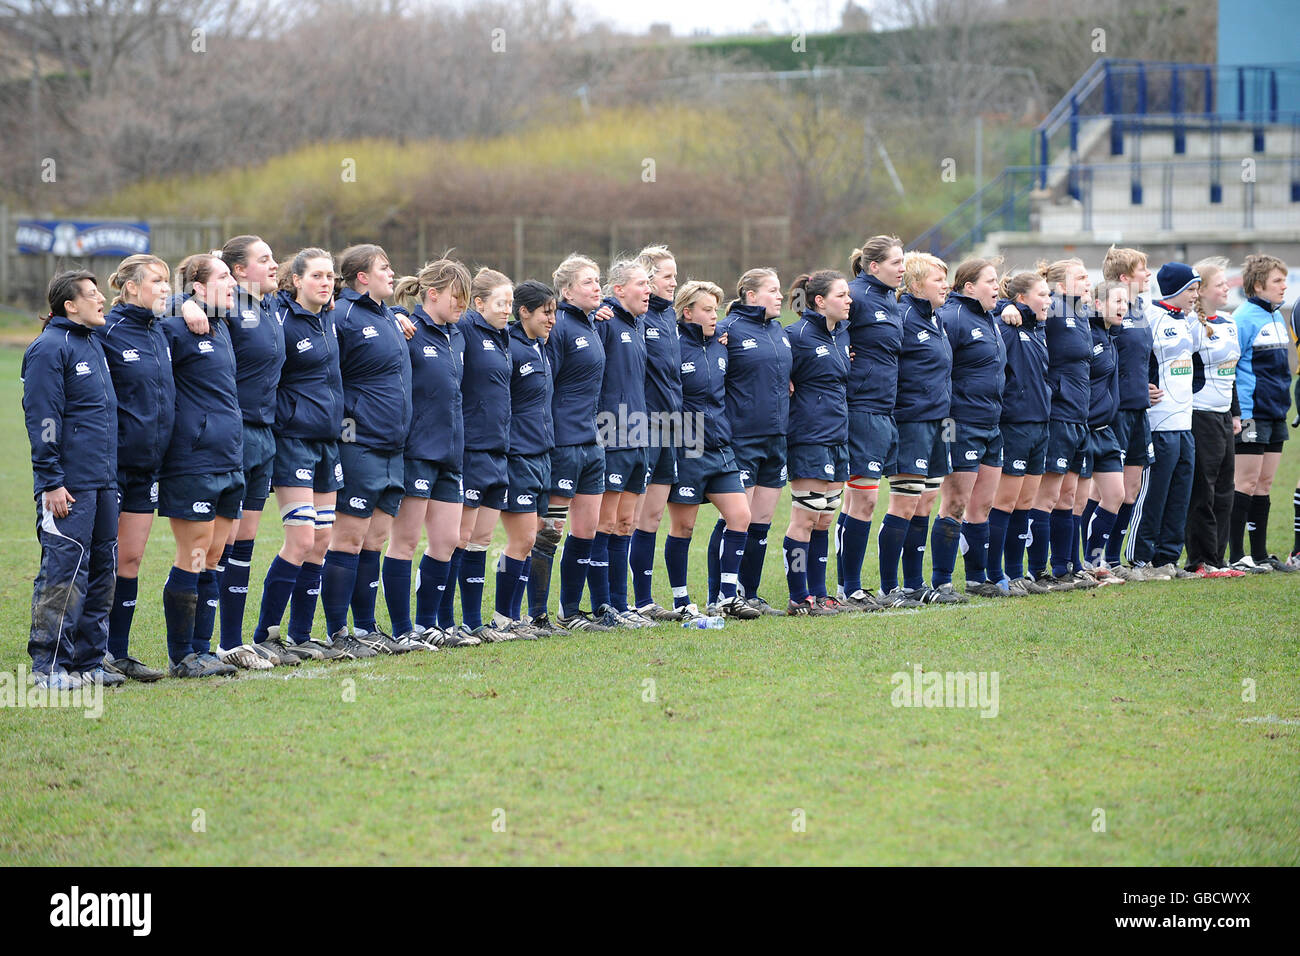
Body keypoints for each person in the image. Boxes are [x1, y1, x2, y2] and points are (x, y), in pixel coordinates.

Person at [249, 248, 355, 661]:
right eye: (316, 276)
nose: (326, 282)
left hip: (328, 443)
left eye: (330, 276)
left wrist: (399, 316)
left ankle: (300, 634)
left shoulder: (331, 317)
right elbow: (232, 293)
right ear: (295, 281)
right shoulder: (278, 315)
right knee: (301, 538)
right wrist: (187, 300)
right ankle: (266, 634)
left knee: (322, 540)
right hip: (293, 440)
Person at [23, 271, 124, 689]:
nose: (102, 299)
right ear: (70, 305)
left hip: (103, 482)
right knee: (65, 571)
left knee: (103, 570)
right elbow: (44, 420)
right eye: (93, 294)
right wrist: (51, 480)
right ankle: (48, 668)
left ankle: (88, 663)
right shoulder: (50, 348)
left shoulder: (93, 343)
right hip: (68, 485)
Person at [320, 244, 419, 652]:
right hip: (358, 442)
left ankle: (365, 628)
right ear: (362, 276)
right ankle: (338, 632)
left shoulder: (387, 316)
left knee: (375, 539)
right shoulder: (341, 314)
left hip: (394, 446)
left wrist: (394, 315)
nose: (392, 273)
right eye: (385, 267)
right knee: (348, 537)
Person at [157, 254, 243, 676]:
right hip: (192, 460)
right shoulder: (175, 325)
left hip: (230, 458)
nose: (233, 284)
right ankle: (181, 657)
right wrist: (178, 303)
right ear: (196, 285)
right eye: (224, 277)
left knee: (213, 557)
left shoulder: (225, 324)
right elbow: (138, 316)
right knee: (192, 554)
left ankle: (202, 650)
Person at [385, 257, 475, 648]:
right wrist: (392, 314)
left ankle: (427, 625)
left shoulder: (457, 335)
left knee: (448, 540)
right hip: (417, 452)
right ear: (432, 294)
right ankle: (403, 630)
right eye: (457, 297)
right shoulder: (407, 330)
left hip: (452, 455)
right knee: (404, 542)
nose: (462, 305)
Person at [98, 255, 175, 681]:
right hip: (108, 469)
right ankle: (88, 653)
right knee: (101, 562)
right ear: (130, 287)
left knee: (131, 559)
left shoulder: (161, 330)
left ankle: (118, 652)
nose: (166, 288)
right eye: (158, 281)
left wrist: (193, 305)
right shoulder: (105, 332)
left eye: (168, 282)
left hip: (148, 469)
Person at [665, 280, 755, 619]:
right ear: (687, 312)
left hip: (721, 445)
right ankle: (681, 600)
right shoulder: (673, 346)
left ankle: (726, 597)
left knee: (740, 516)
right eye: (707, 310)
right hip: (688, 445)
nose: (714, 315)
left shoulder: (721, 345)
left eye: (716, 309)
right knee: (684, 527)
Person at [877, 251, 959, 606]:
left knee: (926, 503)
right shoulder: (902, 316)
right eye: (938, 279)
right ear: (914, 284)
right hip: (911, 422)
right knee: (905, 503)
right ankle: (888, 587)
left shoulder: (936, 317)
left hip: (941, 423)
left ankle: (914, 583)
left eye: (947, 278)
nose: (946, 284)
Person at [537, 254, 611, 632]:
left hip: (592, 442)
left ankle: (570, 611)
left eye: (598, 280)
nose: (597, 287)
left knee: (587, 529)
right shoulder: (560, 327)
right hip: (564, 443)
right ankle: (537, 615)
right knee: (551, 529)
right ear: (566, 291)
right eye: (588, 282)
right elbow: (547, 386)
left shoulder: (593, 323)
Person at [714, 268, 792, 615]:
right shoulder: (726, 331)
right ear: (750, 295)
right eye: (773, 291)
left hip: (777, 438)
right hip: (742, 438)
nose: (780, 297)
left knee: (761, 522)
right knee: (736, 519)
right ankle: (721, 596)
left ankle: (750, 593)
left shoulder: (778, 330)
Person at [930, 258, 1007, 598]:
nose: (997, 287)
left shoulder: (990, 317)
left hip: (992, 424)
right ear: (969, 287)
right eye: (990, 281)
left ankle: (977, 580)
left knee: (983, 506)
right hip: (960, 425)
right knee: (956, 503)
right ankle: (942, 581)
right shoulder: (953, 317)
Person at [837, 236, 906, 607]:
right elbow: (820, 325)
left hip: (885, 408)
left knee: (860, 501)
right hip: (860, 408)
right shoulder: (856, 295)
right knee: (861, 501)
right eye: (896, 262)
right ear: (873, 265)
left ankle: (849, 586)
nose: (902, 269)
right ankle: (849, 588)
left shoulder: (889, 299)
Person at [1023, 258, 1097, 590]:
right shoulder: (1052, 310)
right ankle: (1038, 572)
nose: (1088, 281)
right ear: (1060, 287)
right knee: (1047, 496)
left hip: (1079, 416)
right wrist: (1011, 311)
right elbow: (1021, 312)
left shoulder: (1080, 313)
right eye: (1080, 277)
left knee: (1068, 496)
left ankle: (1064, 568)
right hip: (1058, 415)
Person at [783, 271, 853, 615]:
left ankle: (820, 594)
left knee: (825, 518)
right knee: (805, 518)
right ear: (820, 301)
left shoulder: (842, 334)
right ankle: (799, 597)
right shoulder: (794, 336)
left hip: (838, 437)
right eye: (842, 295)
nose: (849, 300)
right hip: (808, 438)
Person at [1127, 262, 1202, 579]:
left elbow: (1194, 361)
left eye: (1198, 288)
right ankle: (1141, 558)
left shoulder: (1188, 320)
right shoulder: (1151, 316)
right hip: (1159, 422)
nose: (1196, 295)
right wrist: (1143, 386)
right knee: (1155, 493)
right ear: (1175, 289)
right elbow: (1137, 359)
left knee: (1180, 495)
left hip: (1185, 421)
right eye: (1191, 289)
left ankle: (1167, 559)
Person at [492, 279, 558, 636]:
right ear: (524, 312)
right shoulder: (511, 348)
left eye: (555, 313)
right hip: (518, 456)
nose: (552, 320)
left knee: (540, 536)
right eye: (546, 313)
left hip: (544, 456)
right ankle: (504, 617)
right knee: (523, 540)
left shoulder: (542, 346)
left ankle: (519, 618)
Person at [592, 259, 655, 628]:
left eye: (649, 283)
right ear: (618, 290)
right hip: (612, 434)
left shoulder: (638, 323)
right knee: (605, 521)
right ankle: (602, 606)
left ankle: (621, 603)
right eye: (641, 284)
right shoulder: (603, 322)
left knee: (627, 522)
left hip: (639, 434)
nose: (648, 290)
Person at [628, 245, 686, 622]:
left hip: (673, 426)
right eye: (667, 276)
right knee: (630, 518)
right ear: (647, 279)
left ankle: (646, 600)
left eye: (675, 276)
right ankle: (626, 600)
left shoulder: (669, 319)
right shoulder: (637, 317)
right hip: (640, 426)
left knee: (652, 519)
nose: (674, 282)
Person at [1228, 253, 1295, 573]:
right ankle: (1236, 555)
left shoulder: (1275, 315)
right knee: (1246, 482)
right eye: (1277, 281)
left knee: (1265, 483)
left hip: (1275, 412)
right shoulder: (1243, 317)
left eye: (1284, 279)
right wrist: (1237, 412)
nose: (1285, 286)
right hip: (1252, 412)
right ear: (1257, 286)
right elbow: (1230, 367)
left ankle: (1260, 553)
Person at [990, 271, 1052, 596]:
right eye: (1042, 294)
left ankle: (1017, 573)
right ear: (1023, 298)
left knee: (1026, 502)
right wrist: (1003, 306)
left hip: (1041, 425)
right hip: (1015, 425)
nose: (1049, 300)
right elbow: (984, 314)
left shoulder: (1037, 328)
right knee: (1005, 501)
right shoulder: (1008, 324)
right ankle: (994, 573)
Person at [1184, 258, 1245, 577]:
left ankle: (1218, 559)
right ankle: (1199, 560)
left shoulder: (1230, 321)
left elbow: (1232, 374)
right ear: (1202, 290)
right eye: (1220, 284)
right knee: (1202, 489)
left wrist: (1235, 414)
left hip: (1223, 417)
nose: (1227, 288)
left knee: (1225, 488)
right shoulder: (1191, 326)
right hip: (1200, 414)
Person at [1097, 246, 1155, 576]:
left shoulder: (1141, 308)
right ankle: (1093, 557)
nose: (1148, 275)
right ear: (1124, 277)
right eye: (1142, 269)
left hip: (1139, 411)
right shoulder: (1104, 312)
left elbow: (1144, 356)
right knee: (1107, 491)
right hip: (1114, 414)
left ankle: (1115, 560)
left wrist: (1150, 382)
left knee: (1131, 488)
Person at [1072, 280, 1127, 583]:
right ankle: (1074, 564)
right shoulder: (1084, 335)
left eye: (1126, 302)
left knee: (1116, 495)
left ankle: (1095, 560)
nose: (1124, 308)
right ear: (1097, 304)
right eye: (1118, 301)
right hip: (1083, 430)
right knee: (1074, 501)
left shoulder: (1109, 335)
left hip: (1106, 431)